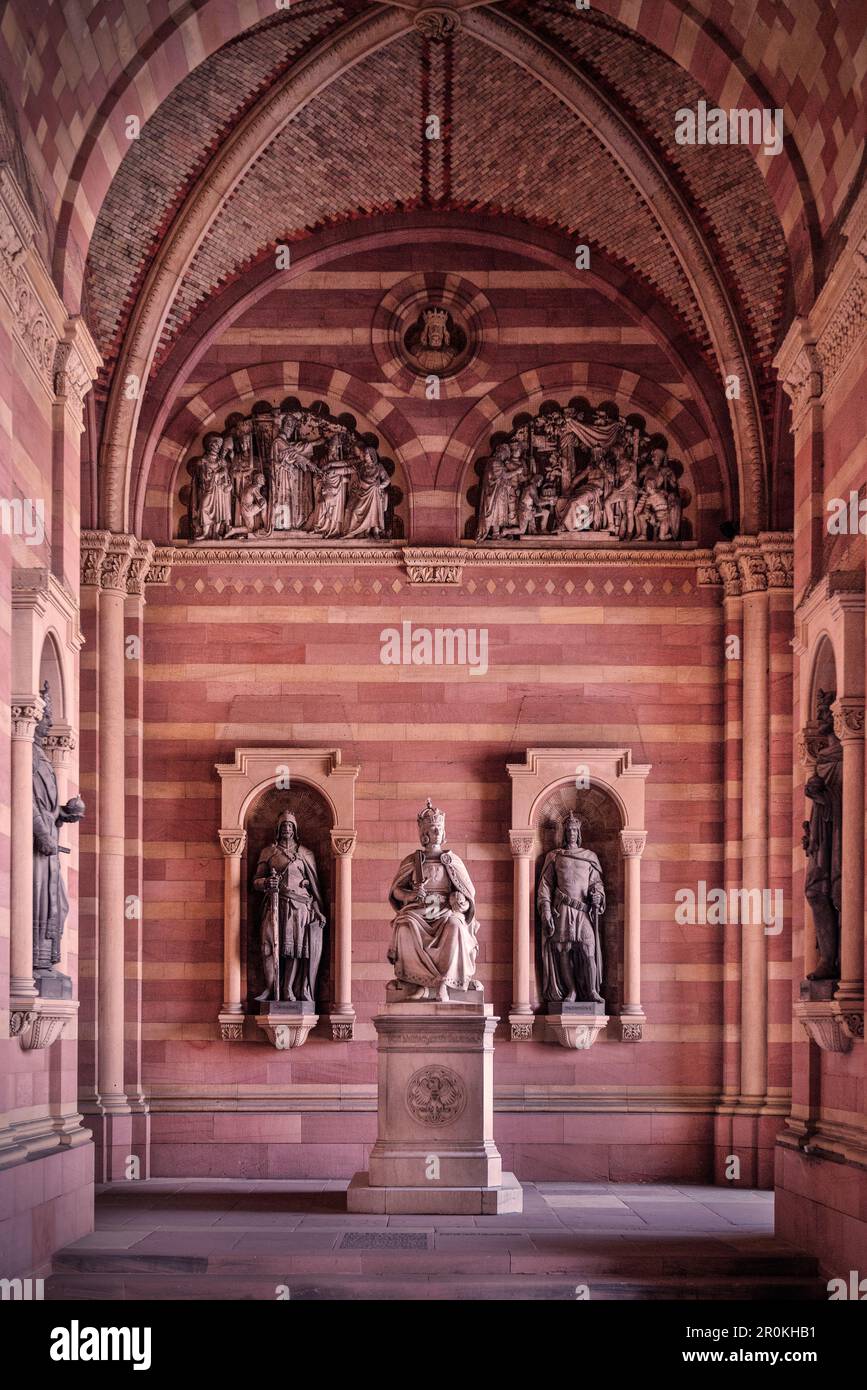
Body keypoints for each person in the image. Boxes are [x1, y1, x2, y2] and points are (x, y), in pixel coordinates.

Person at [387, 799, 481, 1000]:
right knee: (404, 927)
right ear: (425, 835)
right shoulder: (413, 861)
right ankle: (418, 983)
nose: (437, 833)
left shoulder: (453, 861)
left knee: (456, 926)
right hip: (419, 909)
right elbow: (396, 891)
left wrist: (460, 901)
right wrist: (411, 895)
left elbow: (467, 895)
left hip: (446, 910)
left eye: (440, 829)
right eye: (433, 829)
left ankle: (443, 984)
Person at [253, 811, 326, 1003]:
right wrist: (267, 882)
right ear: (278, 829)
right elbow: (255, 882)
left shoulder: (305, 854)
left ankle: (287, 990)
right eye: (283, 825)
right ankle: (270, 987)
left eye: (290, 826)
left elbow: (315, 888)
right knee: (268, 947)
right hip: (275, 906)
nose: (287, 828)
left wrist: (317, 910)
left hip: (300, 907)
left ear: (295, 830)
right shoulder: (268, 852)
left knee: (294, 950)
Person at [537, 812, 605, 1003]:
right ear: (564, 833)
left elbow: (596, 883)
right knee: (563, 950)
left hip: (582, 910)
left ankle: (592, 991)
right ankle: (572, 991)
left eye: (575, 830)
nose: (572, 833)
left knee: (588, 948)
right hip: (564, 909)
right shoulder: (555, 856)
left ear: (579, 832)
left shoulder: (589, 857)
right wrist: (547, 910)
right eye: (569, 830)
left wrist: (598, 895)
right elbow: (546, 885)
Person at [344, 445, 390, 538]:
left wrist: (379, 487)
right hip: (362, 493)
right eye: (364, 454)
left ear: (372, 455)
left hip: (373, 493)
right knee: (355, 511)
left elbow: (387, 480)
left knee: (372, 512)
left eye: (366, 454)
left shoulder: (378, 467)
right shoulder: (361, 466)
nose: (365, 456)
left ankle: (370, 530)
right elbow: (350, 471)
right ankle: (353, 532)